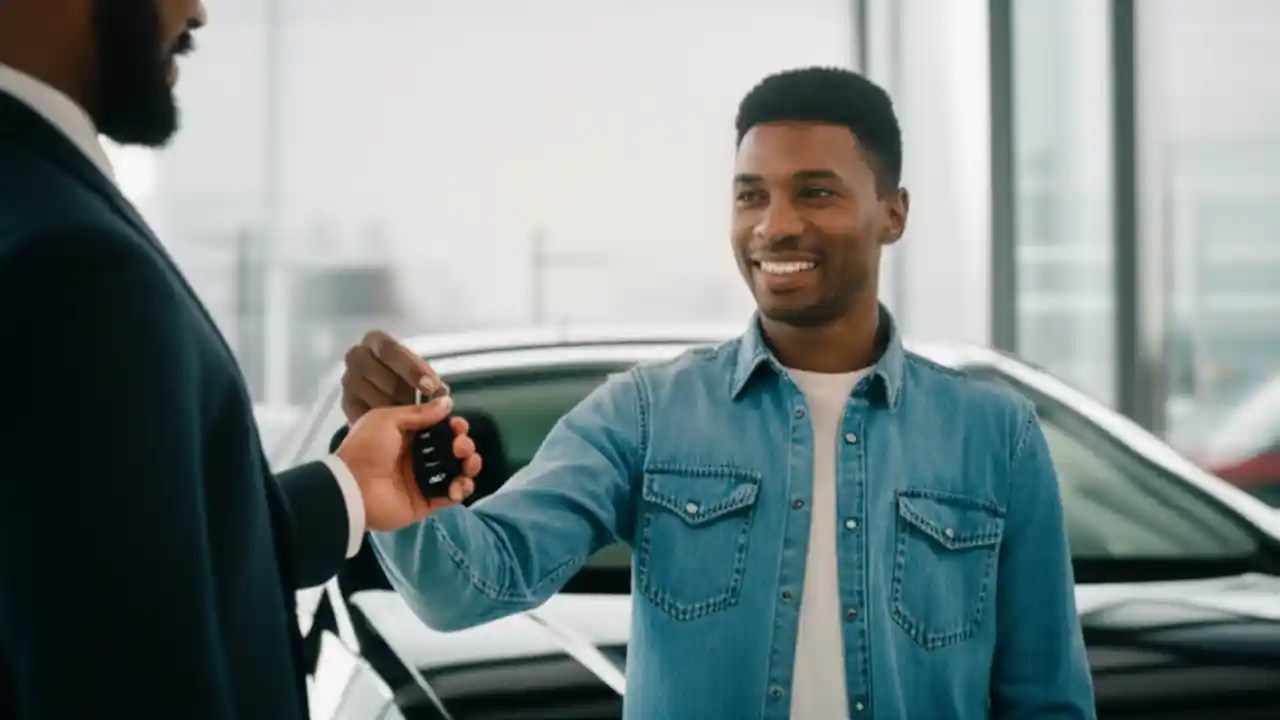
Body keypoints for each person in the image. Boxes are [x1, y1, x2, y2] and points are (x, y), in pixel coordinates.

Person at [340, 67, 1096, 718]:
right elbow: (471, 586)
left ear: (892, 213)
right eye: (750, 196)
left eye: (816, 192)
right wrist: (411, 506)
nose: (775, 226)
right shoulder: (644, 415)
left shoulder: (997, 437)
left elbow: (1045, 700)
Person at [0, 1, 480, 718]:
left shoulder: (35, 199)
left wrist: (344, 491)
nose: (197, 12)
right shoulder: (75, 262)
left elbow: (104, 568)